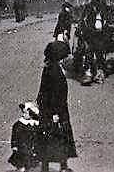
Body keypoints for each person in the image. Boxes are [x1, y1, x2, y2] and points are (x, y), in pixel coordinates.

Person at [37, 40, 77, 172]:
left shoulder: (50, 68)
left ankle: (51, 166)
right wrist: (55, 113)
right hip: (55, 111)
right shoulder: (55, 72)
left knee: (50, 139)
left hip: (49, 110)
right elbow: (54, 95)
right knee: (58, 139)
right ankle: (60, 167)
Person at [8, 101, 40, 172]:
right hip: (21, 150)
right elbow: (14, 136)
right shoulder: (18, 124)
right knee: (22, 167)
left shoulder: (35, 124)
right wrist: (14, 146)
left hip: (31, 150)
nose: (24, 115)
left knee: (30, 167)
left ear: (32, 115)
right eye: (24, 113)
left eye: (26, 113)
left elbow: (37, 137)